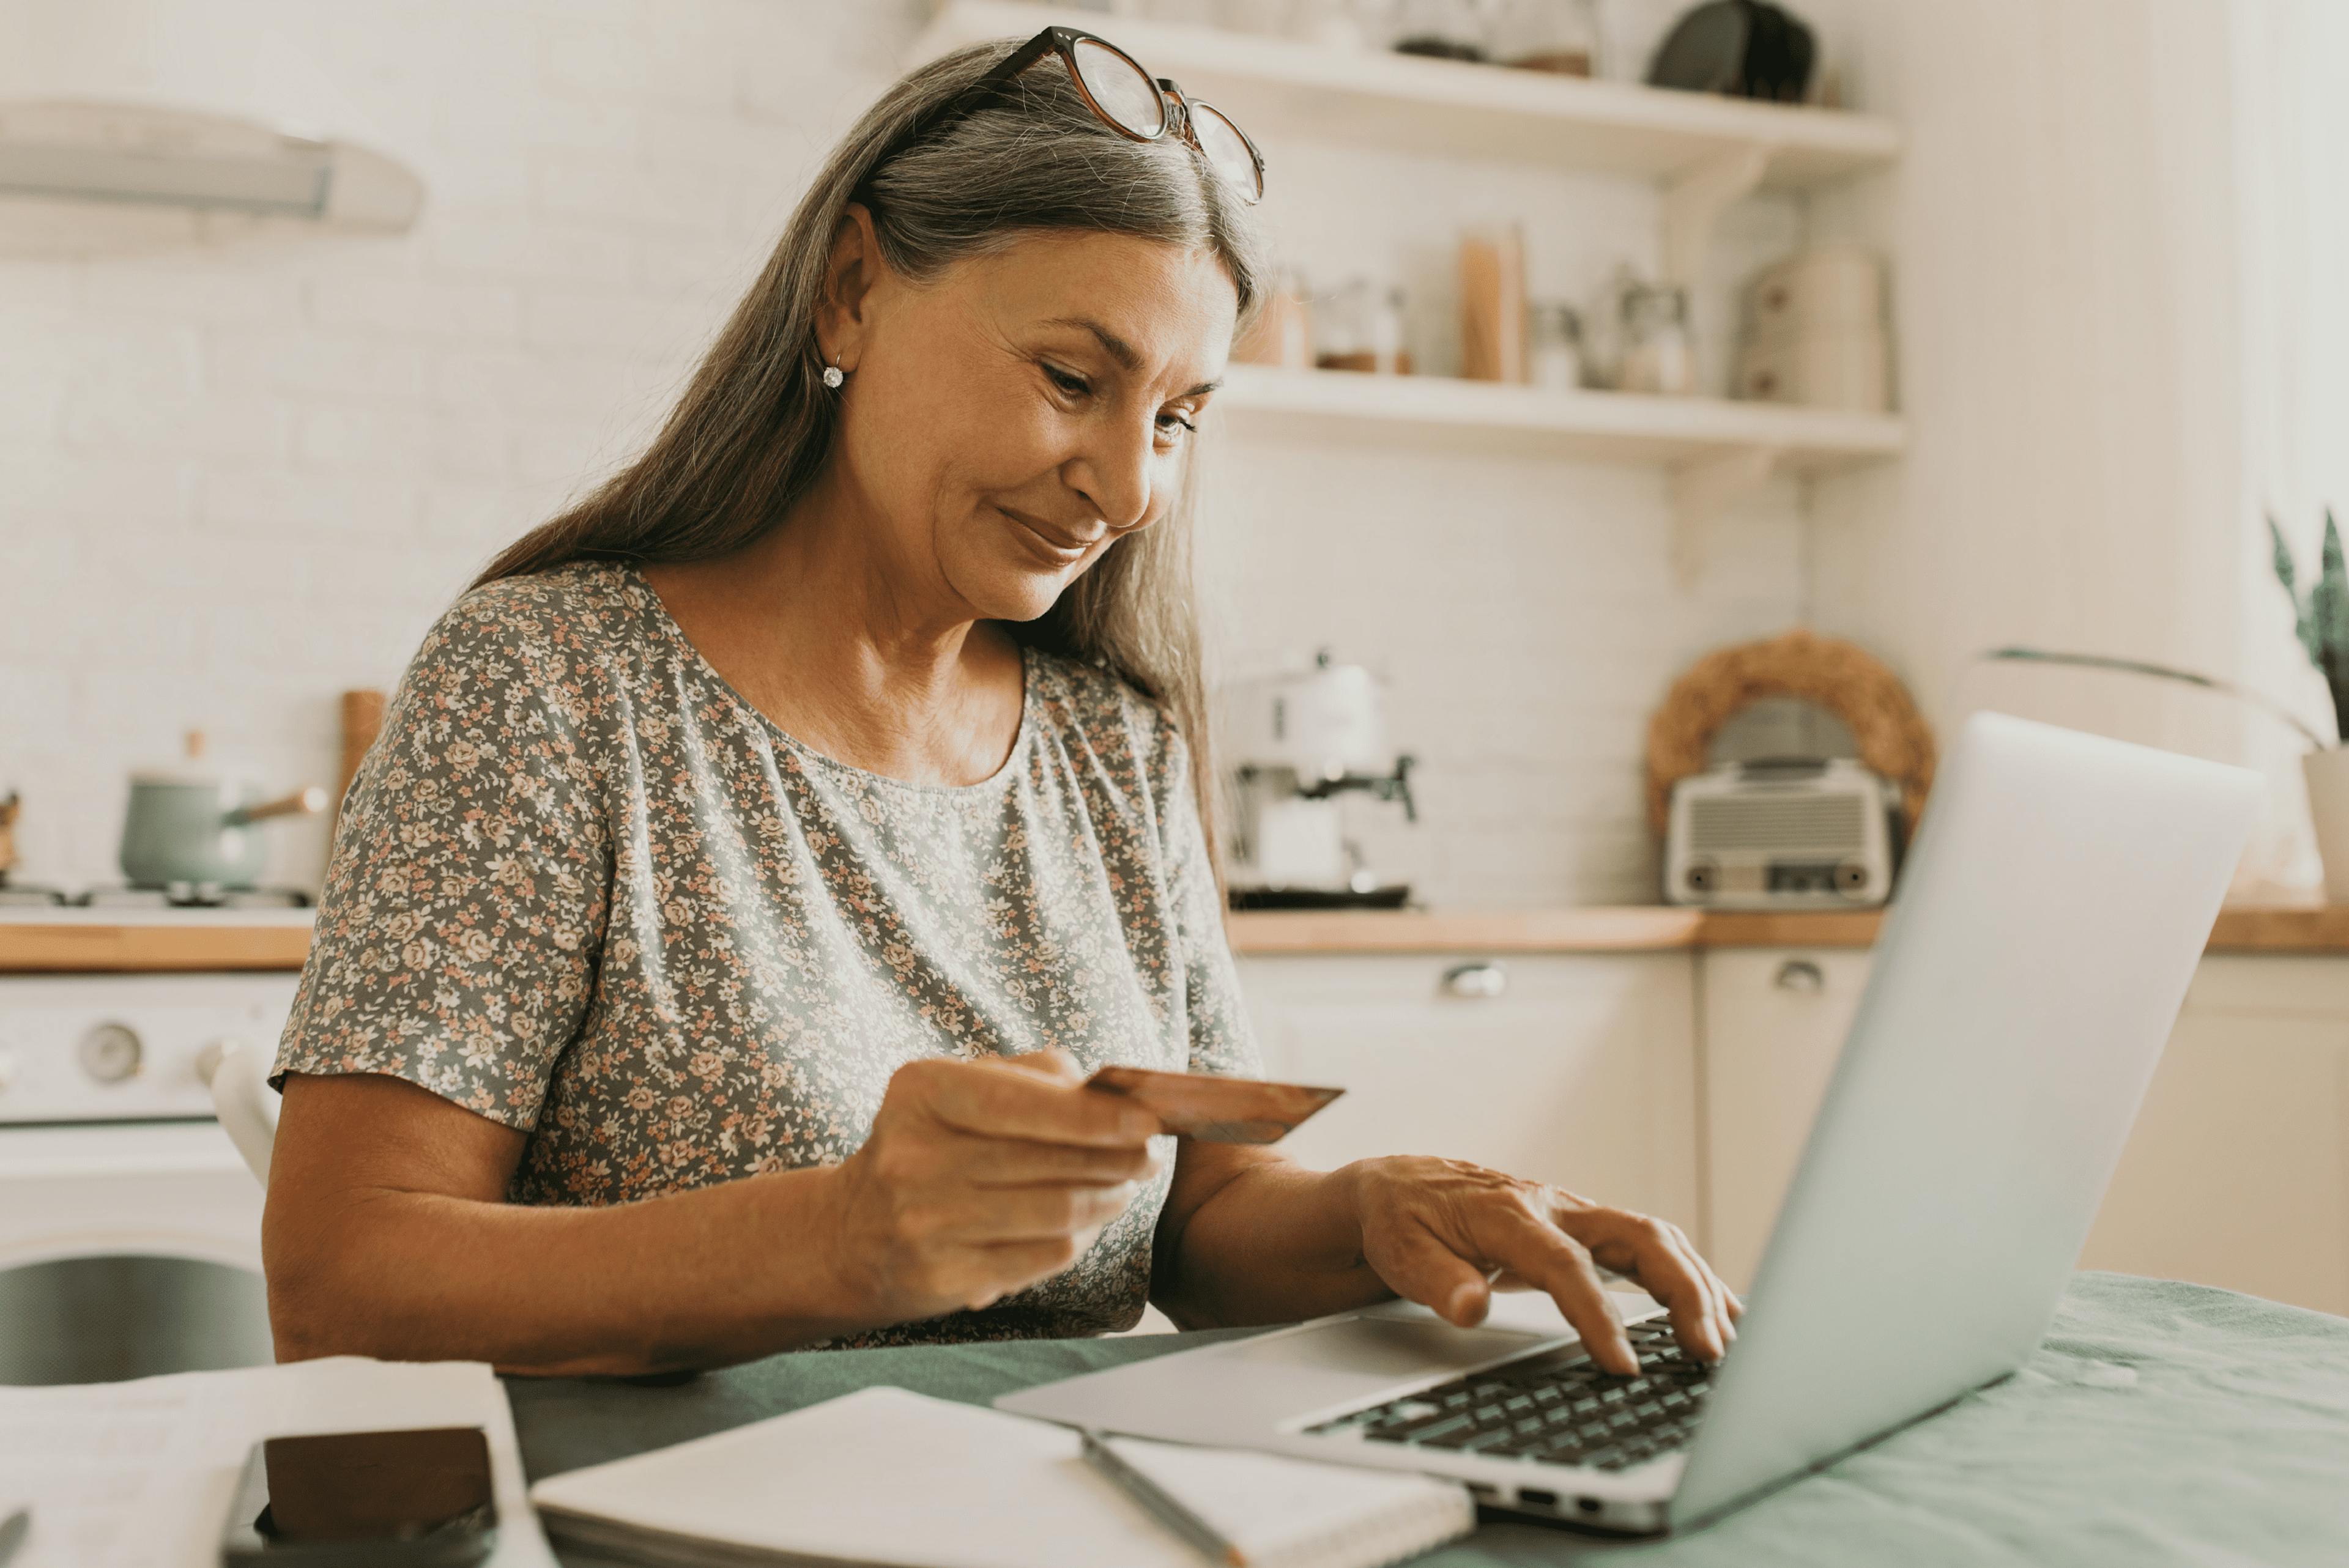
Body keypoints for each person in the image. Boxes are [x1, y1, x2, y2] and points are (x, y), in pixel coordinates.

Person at [264, 28, 1739, 1379]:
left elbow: (1197, 1224)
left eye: (1175, 417)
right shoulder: (548, 684)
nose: (1134, 483)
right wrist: (838, 1238)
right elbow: (343, 1285)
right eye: (1069, 377)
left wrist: (1384, 1210)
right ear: (852, 289)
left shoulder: (1112, 742)